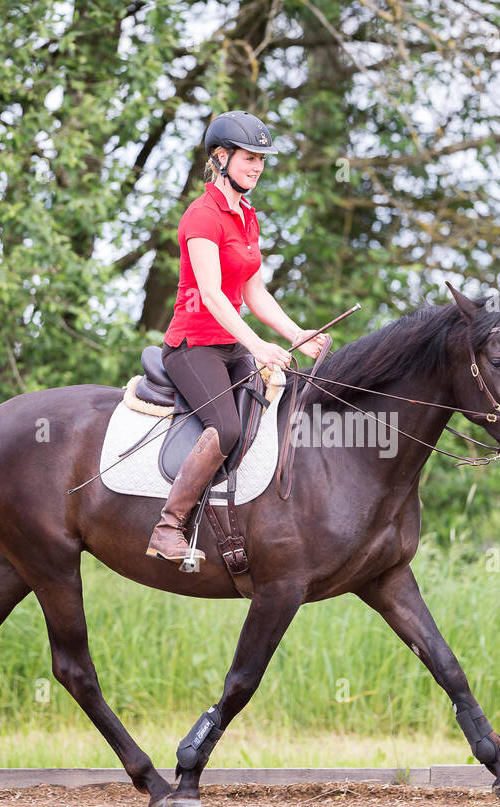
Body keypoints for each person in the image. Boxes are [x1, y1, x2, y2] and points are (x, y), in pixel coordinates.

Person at [146, 109, 328, 567]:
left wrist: (294, 334)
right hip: (192, 346)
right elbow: (211, 295)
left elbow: (252, 290)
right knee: (225, 427)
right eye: (250, 158)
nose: (257, 168)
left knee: (269, 411)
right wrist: (258, 345)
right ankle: (168, 525)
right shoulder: (202, 216)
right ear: (221, 157)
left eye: (262, 160)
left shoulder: (247, 216)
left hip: (230, 346)